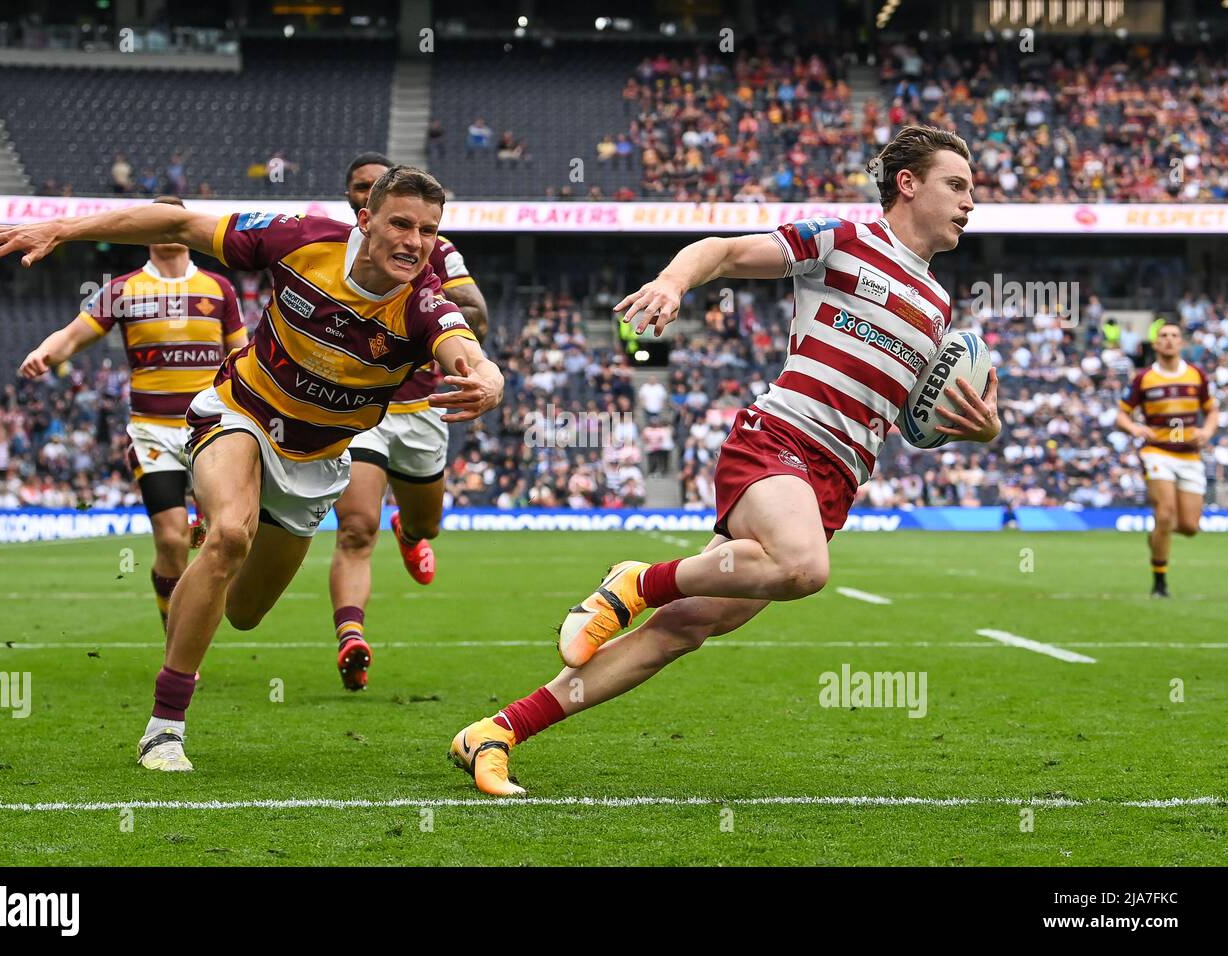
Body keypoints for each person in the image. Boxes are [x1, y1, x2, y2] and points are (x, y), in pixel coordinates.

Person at [448, 125, 999, 796]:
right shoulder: (847, 241)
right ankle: (638, 581)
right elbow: (727, 250)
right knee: (802, 569)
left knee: (681, 631)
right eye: (958, 185)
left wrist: (975, 430)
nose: (971, 202)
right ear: (908, 184)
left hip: (833, 485)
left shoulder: (940, 306)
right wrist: (674, 282)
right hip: (779, 441)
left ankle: (496, 732)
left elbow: (908, 417)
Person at [0, 165, 504, 774]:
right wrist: (63, 229)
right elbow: (176, 220)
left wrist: (489, 378)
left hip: (317, 460)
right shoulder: (302, 237)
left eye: (428, 230)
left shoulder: (426, 303)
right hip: (239, 413)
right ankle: (164, 728)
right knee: (227, 535)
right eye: (401, 224)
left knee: (245, 613)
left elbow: (467, 350)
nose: (414, 241)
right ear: (365, 219)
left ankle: (224, 546)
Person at [17, 196, 247, 630]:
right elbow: (72, 336)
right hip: (153, 434)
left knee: (226, 535)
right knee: (172, 538)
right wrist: (43, 354)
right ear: (142, 230)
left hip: (211, 431)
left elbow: (241, 356)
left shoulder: (219, 288)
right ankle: (175, 635)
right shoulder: (123, 289)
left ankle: (202, 594)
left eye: (172, 221)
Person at [329, 153, 490, 690]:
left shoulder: (437, 253)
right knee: (355, 527)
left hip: (421, 410)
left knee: (427, 524)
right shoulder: (326, 251)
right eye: (358, 188)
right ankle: (351, 635)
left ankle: (410, 530)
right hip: (357, 410)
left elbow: (478, 315)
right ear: (360, 205)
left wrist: (428, 320)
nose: (362, 195)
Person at [1115, 322, 1218, 597]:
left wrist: (1207, 431)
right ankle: (1159, 584)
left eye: (1174, 336)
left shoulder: (1197, 376)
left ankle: (1158, 536)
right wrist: (1135, 428)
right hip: (1157, 451)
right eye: (1163, 336)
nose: (1169, 340)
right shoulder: (1144, 378)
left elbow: (1212, 411)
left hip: (1189, 455)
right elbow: (1122, 415)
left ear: (1181, 342)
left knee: (1189, 527)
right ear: (1156, 344)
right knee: (1165, 513)